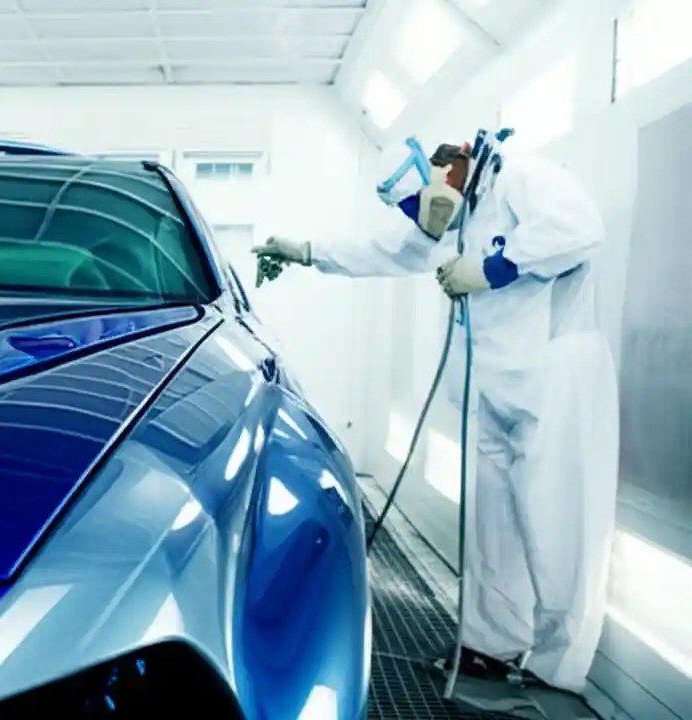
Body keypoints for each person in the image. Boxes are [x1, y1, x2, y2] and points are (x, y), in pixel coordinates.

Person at [255, 142, 619, 695]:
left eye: (417, 205)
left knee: (555, 525)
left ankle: (555, 672)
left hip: (552, 381)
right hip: (495, 386)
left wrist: (493, 268)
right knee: (493, 528)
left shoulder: (521, 176)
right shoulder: (462, 212)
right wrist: (304, 250)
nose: (422, 224)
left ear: (449, 171)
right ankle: (491, 648)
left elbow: (579, 229)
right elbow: (390, 251)